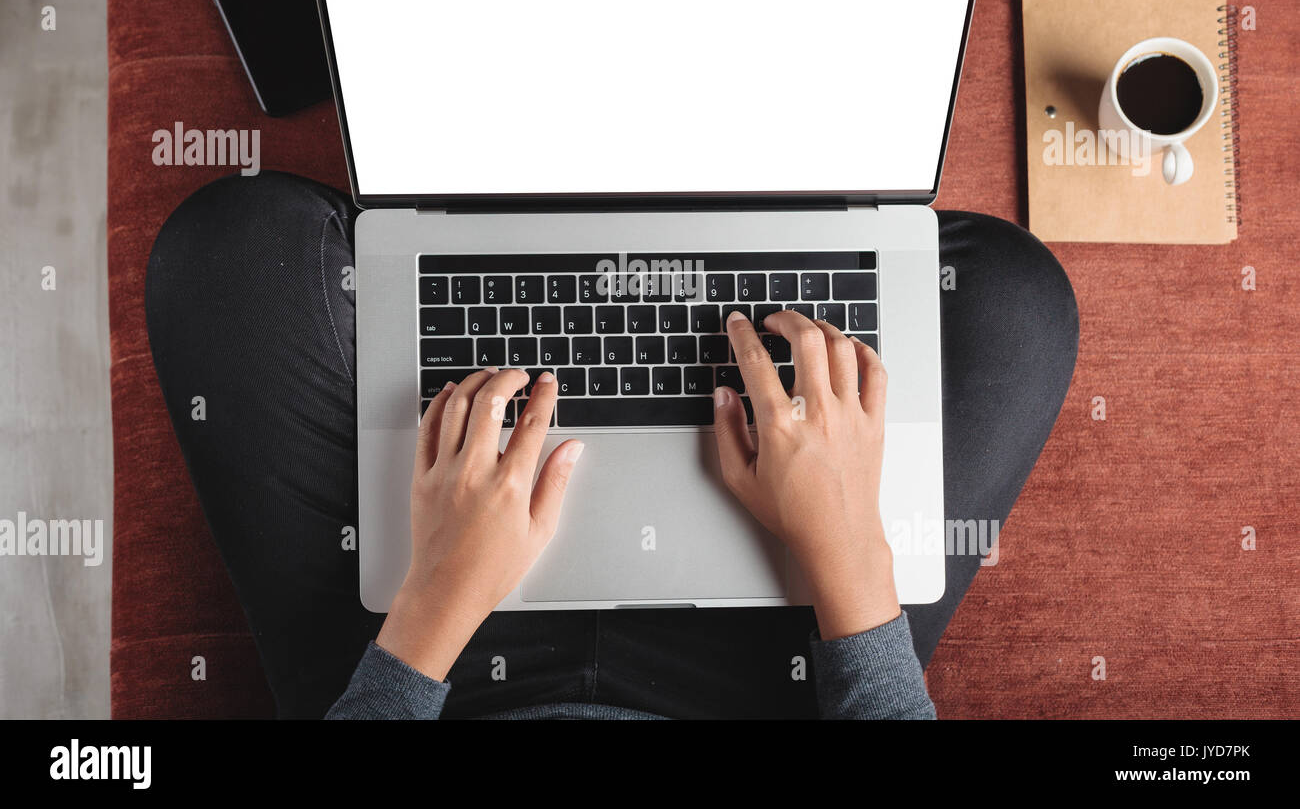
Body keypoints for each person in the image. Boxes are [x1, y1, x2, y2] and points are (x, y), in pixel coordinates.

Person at [145, 171, 1078, 719]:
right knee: (1014, 301)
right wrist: (847, 549)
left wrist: (434, 596)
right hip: (762, 685)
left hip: (434, 672)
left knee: (232, 247)